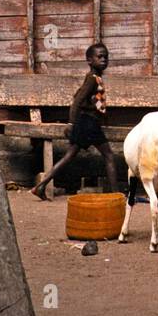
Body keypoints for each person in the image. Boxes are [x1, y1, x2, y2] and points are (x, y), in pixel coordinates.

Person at [31, 43, 118, 200]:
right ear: (89, 60)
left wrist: (99, 114)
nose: (104, 59)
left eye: (106, 57)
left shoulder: (96, 78)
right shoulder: (92, 79)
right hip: (88, 124)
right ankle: (116, 195)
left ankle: (40, 186)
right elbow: (77, 101)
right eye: (100, 57)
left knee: (69, 157)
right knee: (109, 156)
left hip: (88, 123)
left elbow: (85, 100)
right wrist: (71, 123)